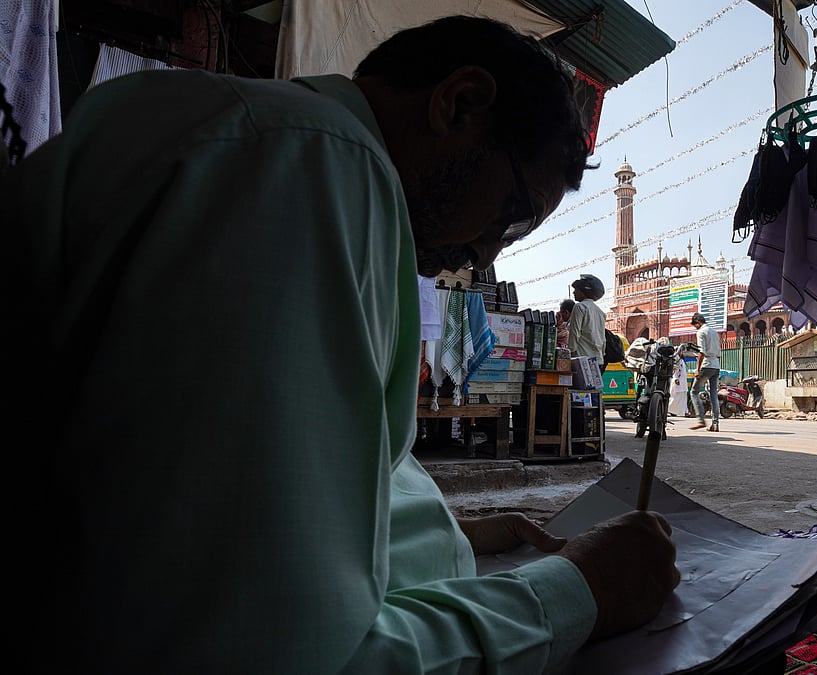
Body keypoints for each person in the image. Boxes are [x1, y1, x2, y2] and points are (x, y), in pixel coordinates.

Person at [2, 16, 678, 673]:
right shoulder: (308, 167)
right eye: (510, 215)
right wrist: (579, 590)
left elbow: (223, 488)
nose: (482, 257)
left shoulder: (262, 139)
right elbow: (273, 646)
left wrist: (438, 534)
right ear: (460, 104)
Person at [689, 313, 723, 432]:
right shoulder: (714, 333)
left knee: (694, 392)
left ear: (698, 323)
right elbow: (719, 354)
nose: (696, 328)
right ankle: (715, 424)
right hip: (715, 366)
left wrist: (698, 370)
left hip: (706, 365)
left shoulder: (701, 332)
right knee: (713, 395)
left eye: (695, 325)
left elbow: (701, 352)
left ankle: (701, 420)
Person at [568, 273, 606, 360]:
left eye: (577, 289)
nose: (574, 292)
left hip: (583, 360)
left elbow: (574, 333)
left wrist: (571, 353)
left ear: (584, 291)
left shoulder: (580, 307)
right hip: (598, 360)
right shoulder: (601, 313)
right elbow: (603, 340)